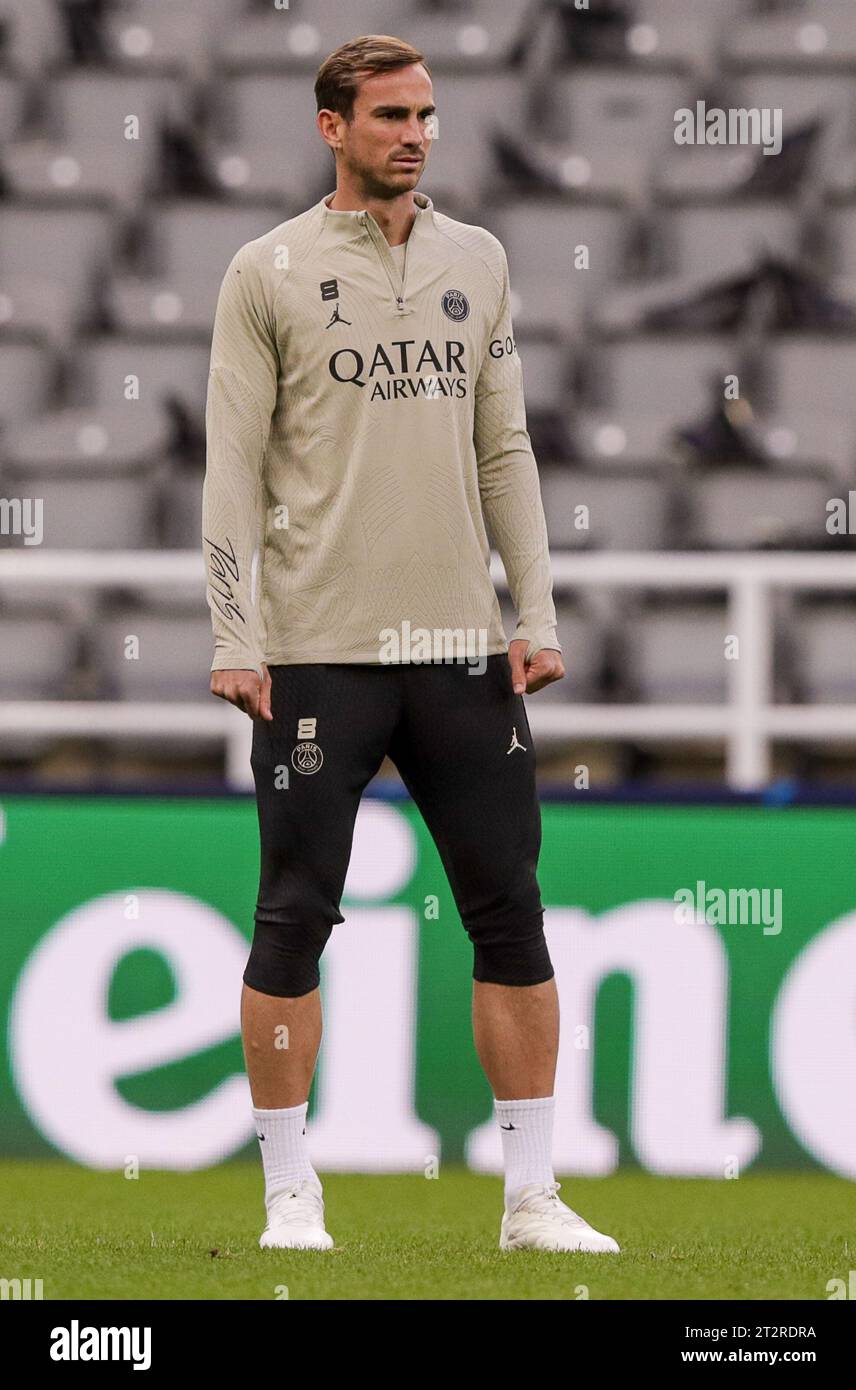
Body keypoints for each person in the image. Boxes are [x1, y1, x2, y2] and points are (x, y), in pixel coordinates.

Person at [203, 32, 619, 1256]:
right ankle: (290, 1195)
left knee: (512, 914)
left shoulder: (476, 261)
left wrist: (531, 616)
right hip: (316, 648)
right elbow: (230, 470)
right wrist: (235, 631)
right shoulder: (263, 269)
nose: (415, 134)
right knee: (291, 916)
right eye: (389, 115)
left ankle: (530, 1198)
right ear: (332, 126)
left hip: (457, 649)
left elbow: (506, 449)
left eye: (427, 114)